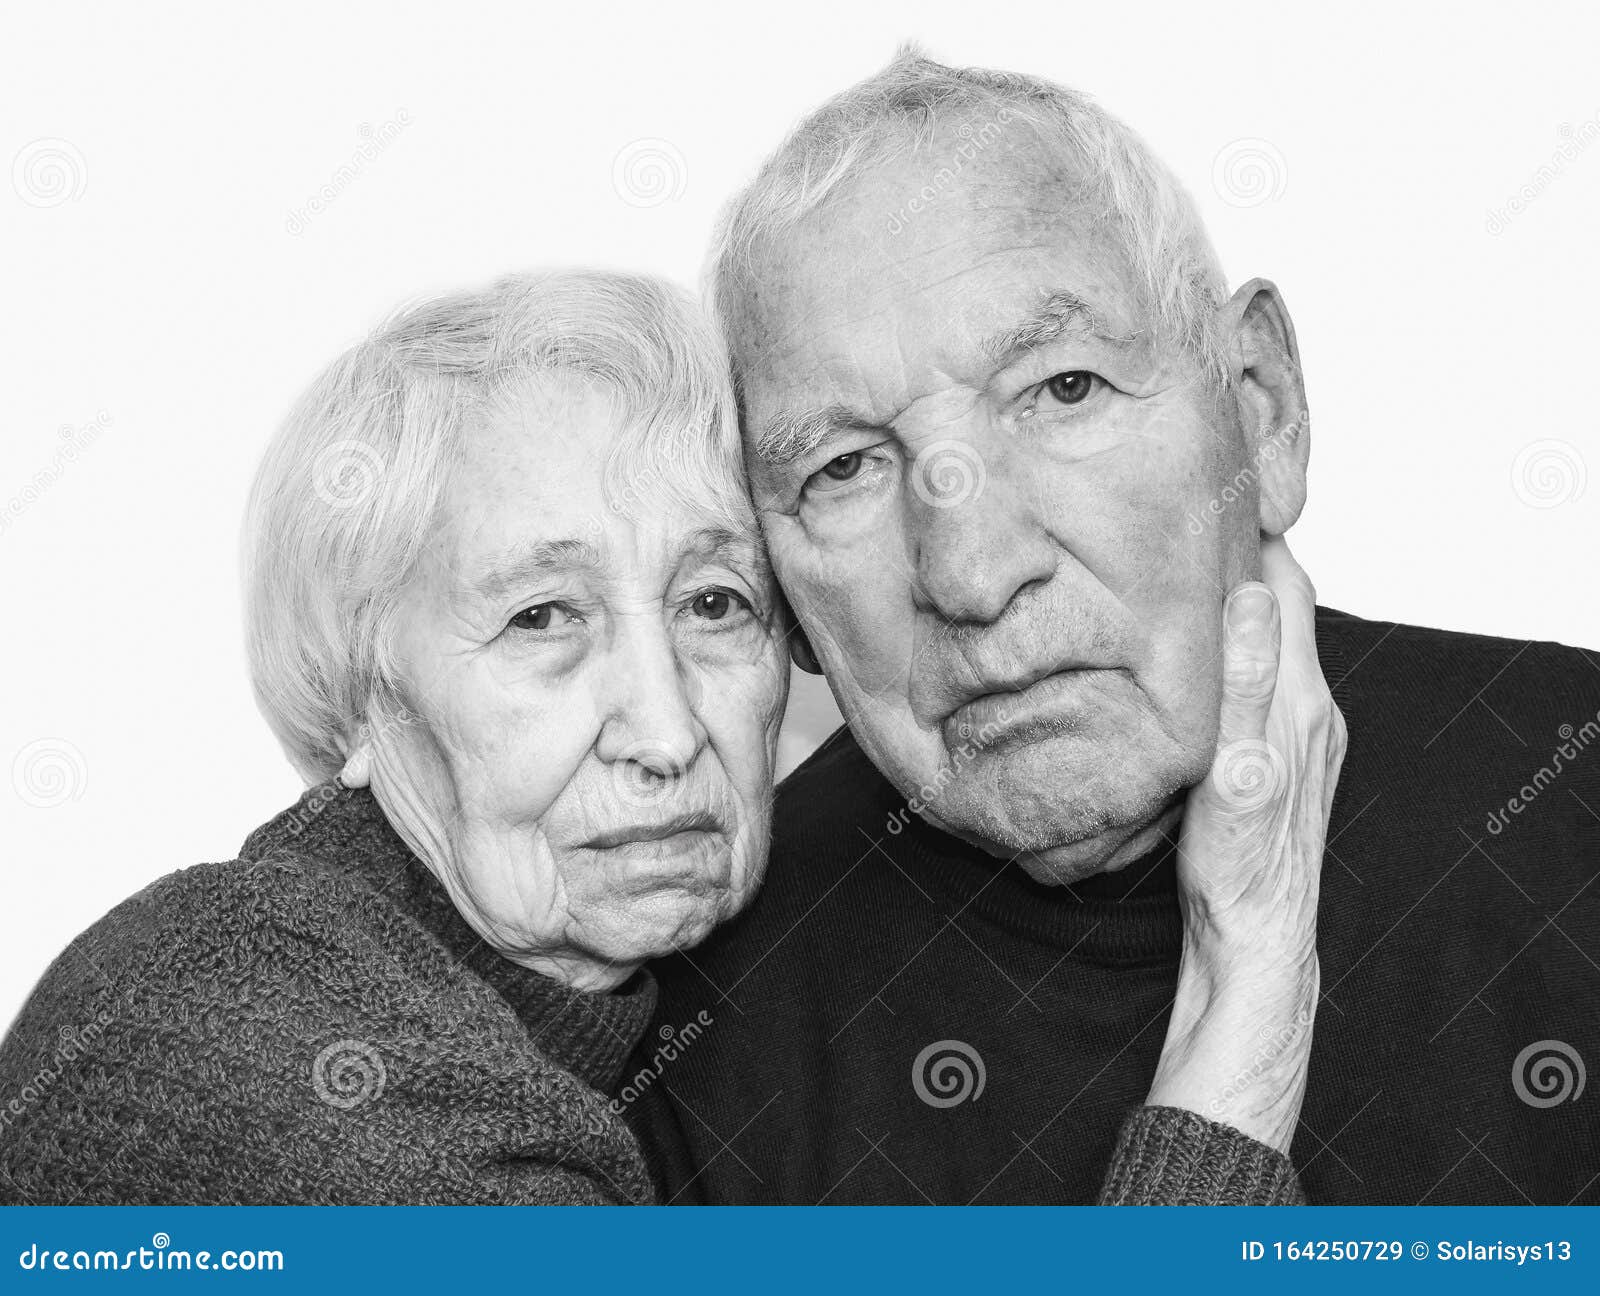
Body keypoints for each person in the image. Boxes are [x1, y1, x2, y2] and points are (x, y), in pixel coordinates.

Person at [1, 269, 1324, 1205]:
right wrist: (1245, 1008)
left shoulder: (646, 1028)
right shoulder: (239, 1034)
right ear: (363, 699)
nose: (665, 726)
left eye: (715, 604)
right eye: (540, 618)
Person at [624, 49, 1600, 1205]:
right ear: (775, 590)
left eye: (1064, 389)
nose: (974, 574)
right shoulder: (689, 1020)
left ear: (1259, 409)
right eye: (843, 469)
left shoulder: (1568, 792)